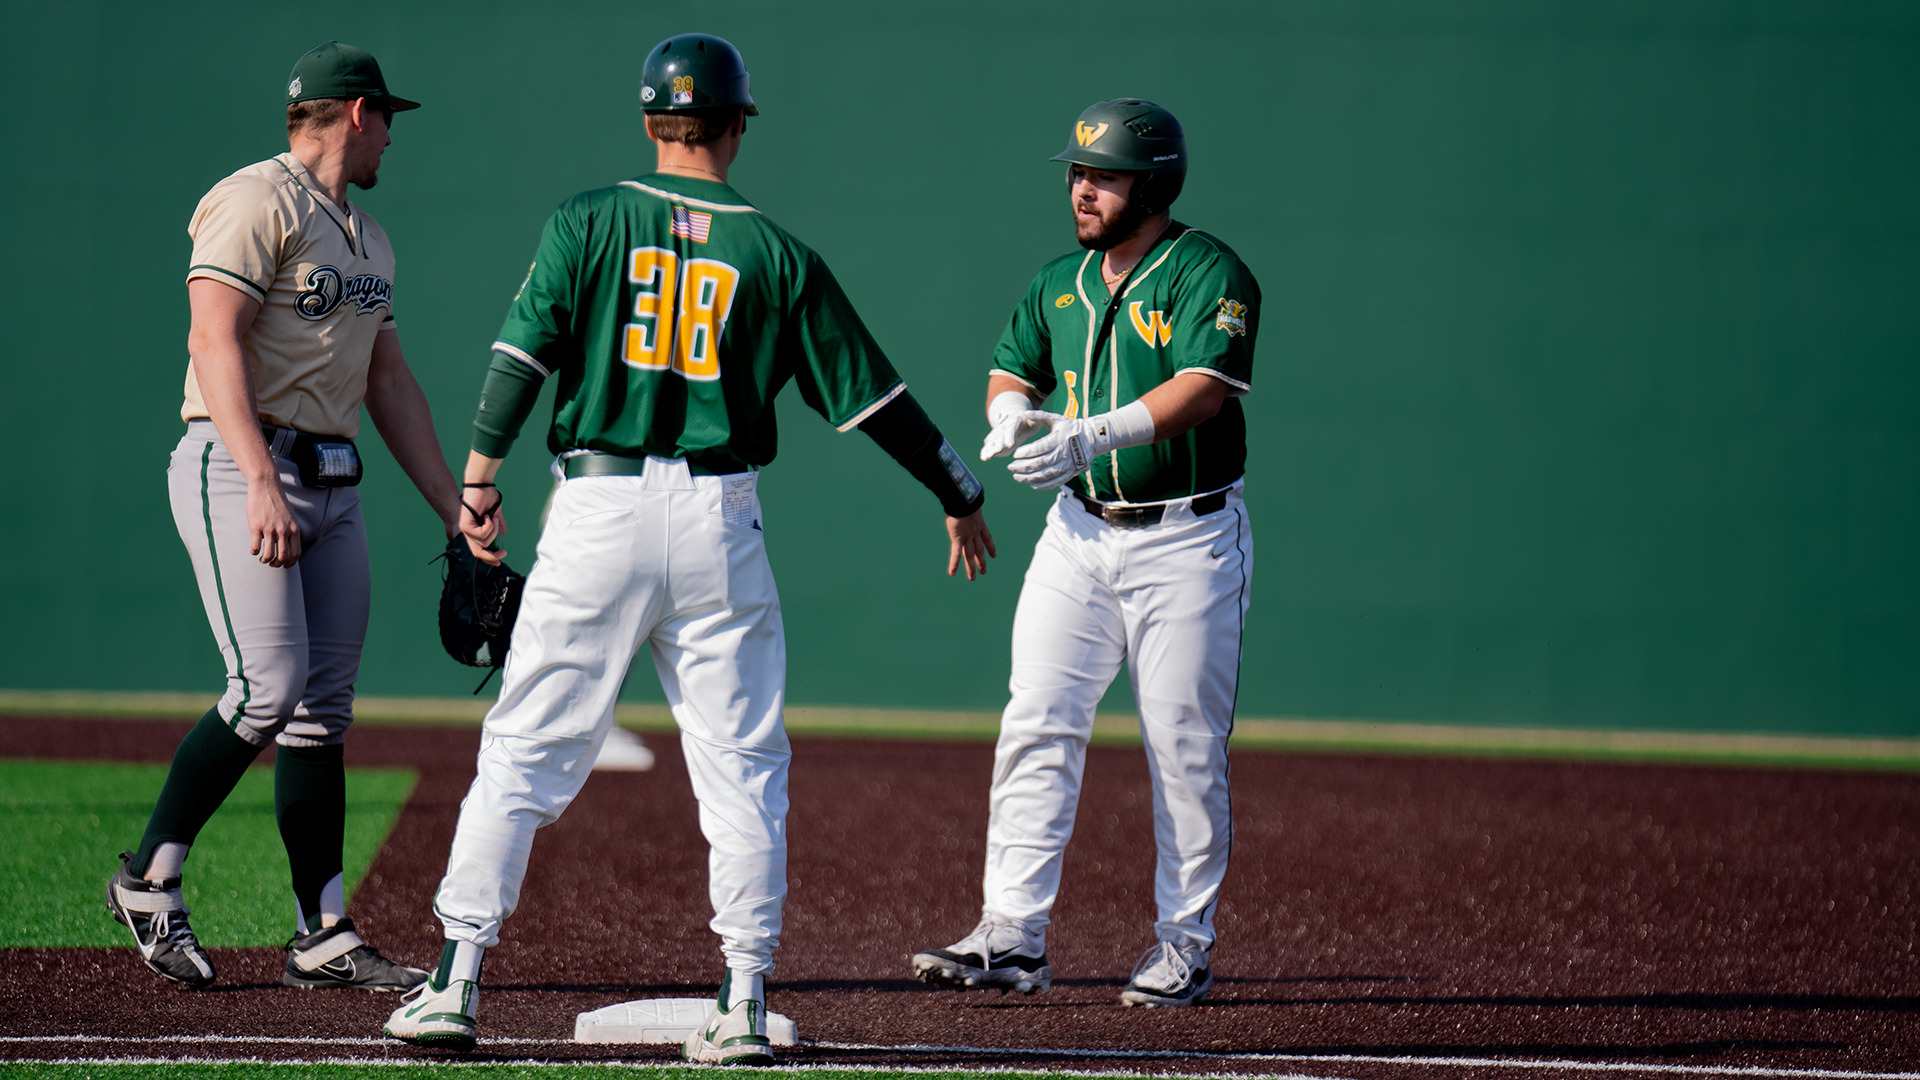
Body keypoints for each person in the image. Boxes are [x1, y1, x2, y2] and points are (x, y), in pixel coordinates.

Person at [381, 33, 994, 1060]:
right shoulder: (775, 251)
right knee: (744, 762)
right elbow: (878, 401)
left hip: (597, 510)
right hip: (719, 519)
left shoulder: (589, 218)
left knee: (525, 747)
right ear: (738, 125)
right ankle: (744, 999)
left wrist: (479, 475)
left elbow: (518, 356)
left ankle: (455, 983)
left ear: (649, 120)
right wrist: (958, 490)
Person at [106, 41, 460, 993]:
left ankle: (322, 930)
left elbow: (388, 380)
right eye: (387, 115)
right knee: (266, 685)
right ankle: (149, 880)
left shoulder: (369, 235)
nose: (392, 134)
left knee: (320, 711)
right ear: (354, 113)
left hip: (335, 483)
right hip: (241, 464)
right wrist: (260, 477)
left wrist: (452, 507)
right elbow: (211, 337)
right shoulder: (254, 198)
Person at [911, 99, 1260, 1007]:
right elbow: (1010, 364)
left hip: (1185, 538)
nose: (1081, 187)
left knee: (1183, 749)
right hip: (1077, 534)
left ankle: (1185, 943)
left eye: (1101, 174)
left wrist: (1091, 433)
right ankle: (1012, 935)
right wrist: (1008, 414)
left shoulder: (1205, 269)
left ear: (1154, 183)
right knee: (1036, 721)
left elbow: (1206, 387)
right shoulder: (1058, 281)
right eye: (1076, 172)